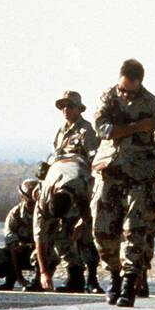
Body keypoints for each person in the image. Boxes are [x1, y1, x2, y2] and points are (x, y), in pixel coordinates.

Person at [91, 58, 155, 307]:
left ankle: (129, 282)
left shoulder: (153, 104)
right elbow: (103, 130)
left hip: (139, 177)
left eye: (131, 90)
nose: (125, 94)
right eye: (123, 89)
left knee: (134, 230)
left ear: (140, 83)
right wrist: (138, 126)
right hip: (108, 172)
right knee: (102, 230)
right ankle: (114, 274)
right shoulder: (107, 97)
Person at [50, 91, 103, 293]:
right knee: (63, 234)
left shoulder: (86, 131)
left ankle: (92, 278)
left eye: (70, 106)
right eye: (63, 106)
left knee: (86, 236)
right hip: (63, 191)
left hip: (82, 189)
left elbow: (93, 162)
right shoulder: (60, 132)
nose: (66, 110)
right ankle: (75, 276)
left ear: (79, 108)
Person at [33, 143, 94, 292]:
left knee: (87, 235)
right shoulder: (44, 199)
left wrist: (82, 222)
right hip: (57, 163)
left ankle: (83, 277)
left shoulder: (84, 185)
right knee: (54, 235)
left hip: (80, 162)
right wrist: (43, 273)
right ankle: (40, 278)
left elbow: (91, 206)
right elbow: (39, 237)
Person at [0, 179, 40, 291]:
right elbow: (12, 245)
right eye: (30, 202)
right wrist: (20, 277)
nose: (33, 205)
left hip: (41, 254)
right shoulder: (15, 214)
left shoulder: (46, 213)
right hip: (20, 254)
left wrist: (32, 246)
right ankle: (11, 277)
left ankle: (39, 280)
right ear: (22, 197)